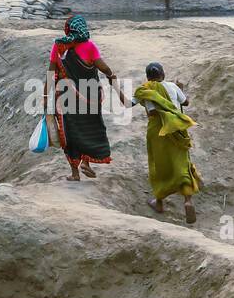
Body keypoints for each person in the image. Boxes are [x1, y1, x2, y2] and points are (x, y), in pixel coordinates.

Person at [47, 15, 127, 182]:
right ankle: (86, 163)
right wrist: (111, 75)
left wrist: (45, 96)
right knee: (91, 129)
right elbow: (103, 67)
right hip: (90, 96)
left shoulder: (59, 46)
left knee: (71, 133)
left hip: (67, 99)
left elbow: (50, 73)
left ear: (68, 29)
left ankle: (75, 173)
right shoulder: (89, 46)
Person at [134, 61, 202, 222]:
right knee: (182, 163)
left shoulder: (147, 90)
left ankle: (159, 202)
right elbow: (185, 103)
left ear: (148, 77)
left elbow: (150, 112)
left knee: (160, 165)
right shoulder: (172, 86)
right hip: (176, 129)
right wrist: (180, 89)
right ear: (163, 74)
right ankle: (188, 201)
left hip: (157, 131)